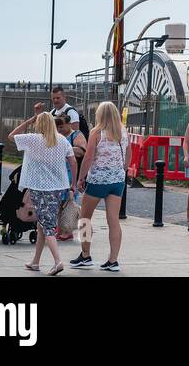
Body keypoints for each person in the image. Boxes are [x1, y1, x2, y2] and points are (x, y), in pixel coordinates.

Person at [10, 107, 77, 275]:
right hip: (57, 187)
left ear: (39, 124)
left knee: (47, 225)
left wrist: (28, 121)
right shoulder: (61, 140)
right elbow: (73, 161)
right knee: (42, 223)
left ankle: (57, 261)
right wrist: (73, 182)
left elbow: (11, 136)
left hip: (39, 187)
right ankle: (35, 261)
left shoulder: (33, 139)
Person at [71, 102, 128, 272]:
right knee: (114, 221)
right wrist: (121, 171)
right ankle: (113, 260)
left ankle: (86, 255)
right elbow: (128, 156)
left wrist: (81, 178)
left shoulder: (96, 132)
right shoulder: (122, 132)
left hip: (98, 180)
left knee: (84, 219)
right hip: (117, 181)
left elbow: (88, 158)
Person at [55, 116, 88, 240]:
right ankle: (60, 228)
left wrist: (65, 148)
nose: (59, 129)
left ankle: (67, 230)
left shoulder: (76, 135)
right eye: (57, 127)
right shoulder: (59, 136)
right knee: (58, 201)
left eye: (61, 126)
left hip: (70, 172)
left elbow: (82, 151)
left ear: (69, 124)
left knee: (67, 201)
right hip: (59, 171)